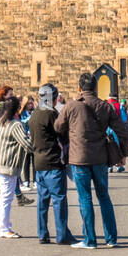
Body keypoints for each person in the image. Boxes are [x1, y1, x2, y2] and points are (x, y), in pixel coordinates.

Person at [55, 72, 128, 249]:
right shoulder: (106, 107)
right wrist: (123, 154)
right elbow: (122, 131)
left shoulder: (72, 106)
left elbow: (58, 127)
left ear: (79, 88)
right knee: (104, 197)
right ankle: (111, 238)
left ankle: (90, 239)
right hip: (100, 158)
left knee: (85, 198)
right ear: (96, 88)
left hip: (79, 157)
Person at [27, 84, 75, 245]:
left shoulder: (34, 114)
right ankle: (62, 235)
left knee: (43, 201)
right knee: (59, 199)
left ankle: (43, 233)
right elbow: (61, 135)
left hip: (39, 163)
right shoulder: (51, 114)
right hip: (53, 162)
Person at [0, 95, 34, 238]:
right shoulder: (15, 125)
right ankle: (3, 228)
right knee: (6, 197)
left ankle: (4, 226)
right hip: (8, 164)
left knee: (4, 196)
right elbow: (26, 144)